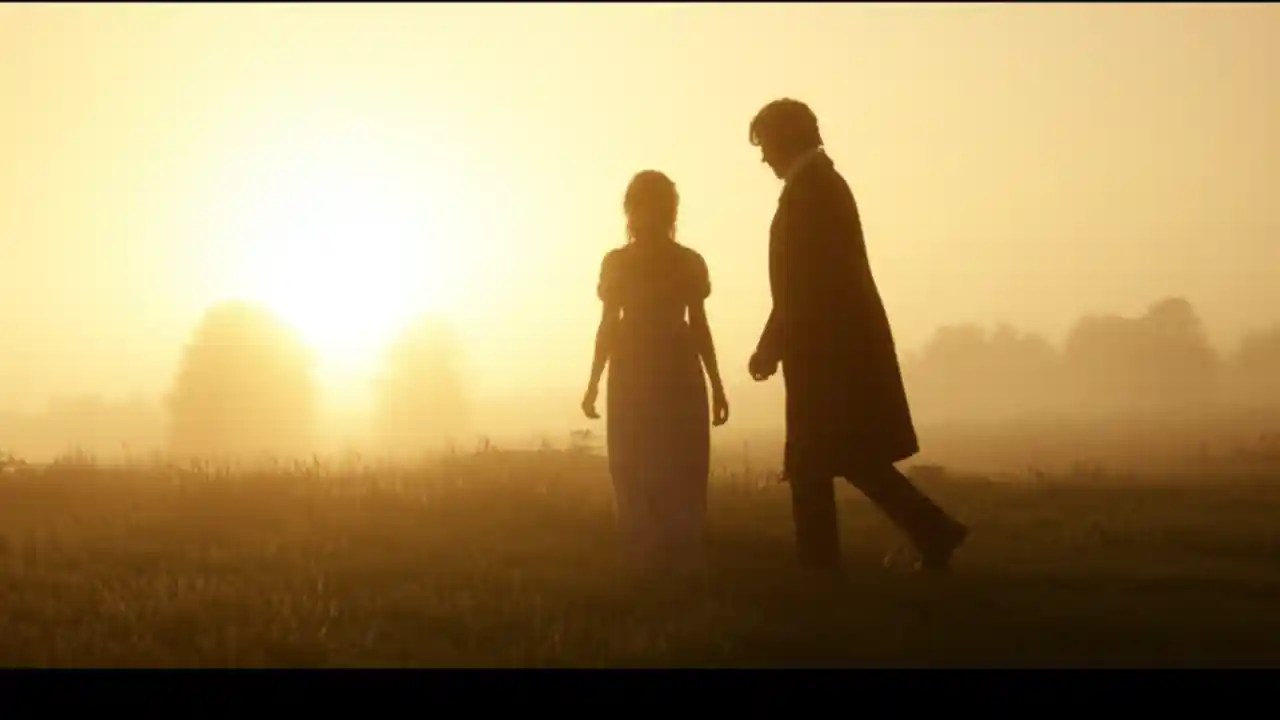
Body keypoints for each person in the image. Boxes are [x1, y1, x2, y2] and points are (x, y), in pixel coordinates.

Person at [745, 98, 968, 571]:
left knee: (815, 460)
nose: (763, 157)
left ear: (786, 139)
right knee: (846, 456)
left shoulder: (815, 192)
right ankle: (933, 534)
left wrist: (773, 344)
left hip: (828, 353)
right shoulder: (818, 186)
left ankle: (821, 569)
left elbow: (806, 283)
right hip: (828, 349)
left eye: (765, 144)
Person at [581, 170, 730, 573]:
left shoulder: (640, 263)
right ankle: (654, 550)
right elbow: (609, 323)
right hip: (649, 366)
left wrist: (717, 384)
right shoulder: (675, 262)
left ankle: (663, 549)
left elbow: (697, 323)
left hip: (657, 367)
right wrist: (593, 382)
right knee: (644, 458)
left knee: (665, 458)